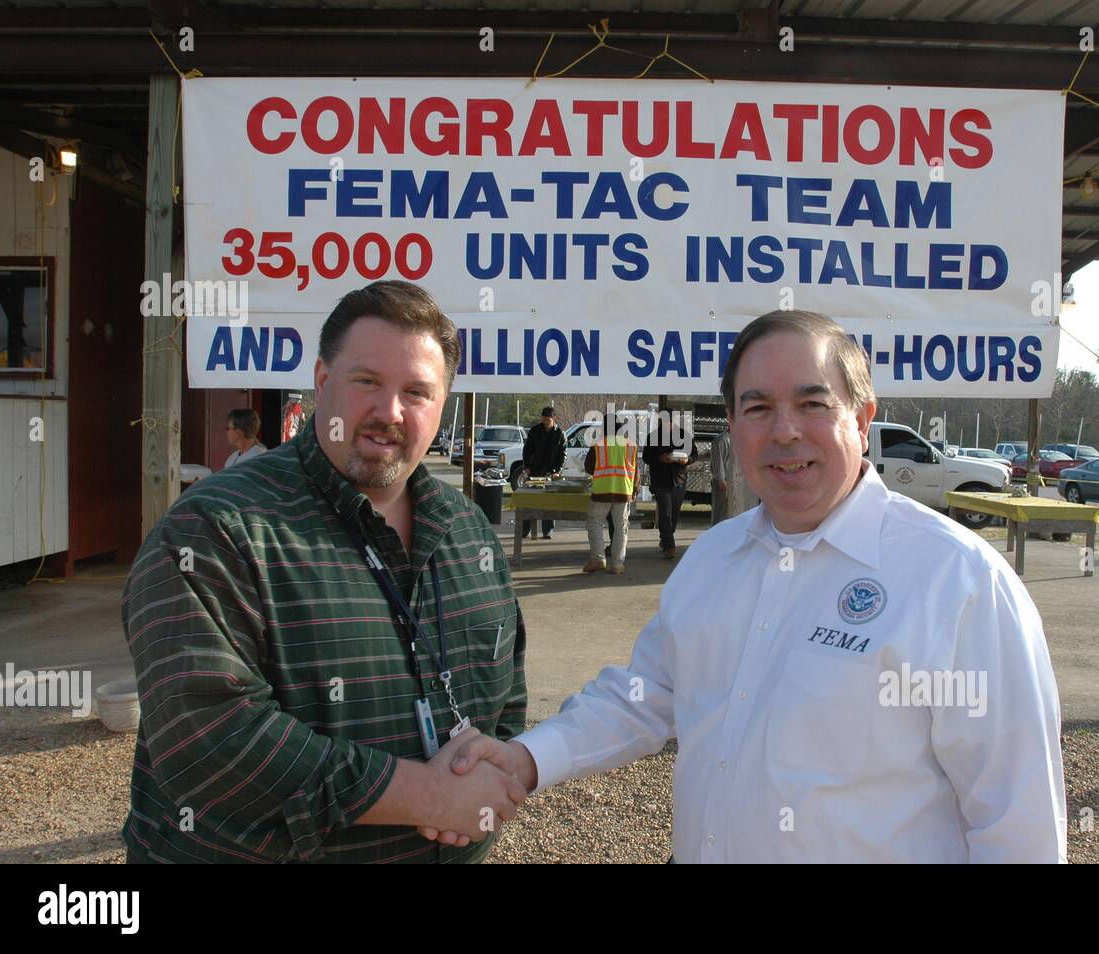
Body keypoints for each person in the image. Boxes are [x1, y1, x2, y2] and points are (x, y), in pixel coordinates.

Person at [445, 309, 1067, 863]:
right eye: (758, 407)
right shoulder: (715, 557)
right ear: (735, 425)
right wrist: (527, 759)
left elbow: (1019, 827)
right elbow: (644, 696)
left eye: (812, 403)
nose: (784, 431)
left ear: (863, 418)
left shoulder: (959, 582)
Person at [120, 281, 528, 863]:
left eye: (417, 391)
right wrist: (429, 799)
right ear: (320, 381)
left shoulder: (469, 532)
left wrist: (487, 772)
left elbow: (506, 690)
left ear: (443, 407)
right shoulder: (216, 529)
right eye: (367, 382)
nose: (390, 412)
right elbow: (207, 737)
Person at [582, 414, 638, 576]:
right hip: (623, 492)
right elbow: (636, 471)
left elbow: (589, 468)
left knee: (594, 523)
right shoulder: (631, 446)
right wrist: (634, 490)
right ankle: (617, 564)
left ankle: (598, 559)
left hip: (602, 492)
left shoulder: (598, 445)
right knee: (621, 528)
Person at [643, 411, 698, 558]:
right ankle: (669, 546)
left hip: (679, 479)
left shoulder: (684, 436)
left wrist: (687, 460)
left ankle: (666, 537)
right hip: (660, 481)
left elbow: (694, 454)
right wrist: (660, 458)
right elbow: (646, 457)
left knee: (674, 513)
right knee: (665, 513)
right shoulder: (653, 436)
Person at [520, 406, 567, 540]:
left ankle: (547, 531)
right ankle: (525, 530)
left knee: (548, 502)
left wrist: (557, 471)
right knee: (529, 500)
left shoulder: (560, 434)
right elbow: (527, 450)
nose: (546, 423)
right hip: (534, 470)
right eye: (544, 420)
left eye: (548, 420)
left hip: (550, 473)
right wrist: (527, 466)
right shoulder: (535, 431)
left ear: (553, 419)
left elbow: (562, 455)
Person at [710, 428, 759, 525]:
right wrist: (721, 480)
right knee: (720, 514)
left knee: (734, 514)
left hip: (737, 483)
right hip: (724, 483)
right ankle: (718, 535)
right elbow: (718, 462)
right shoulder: (722, 440)